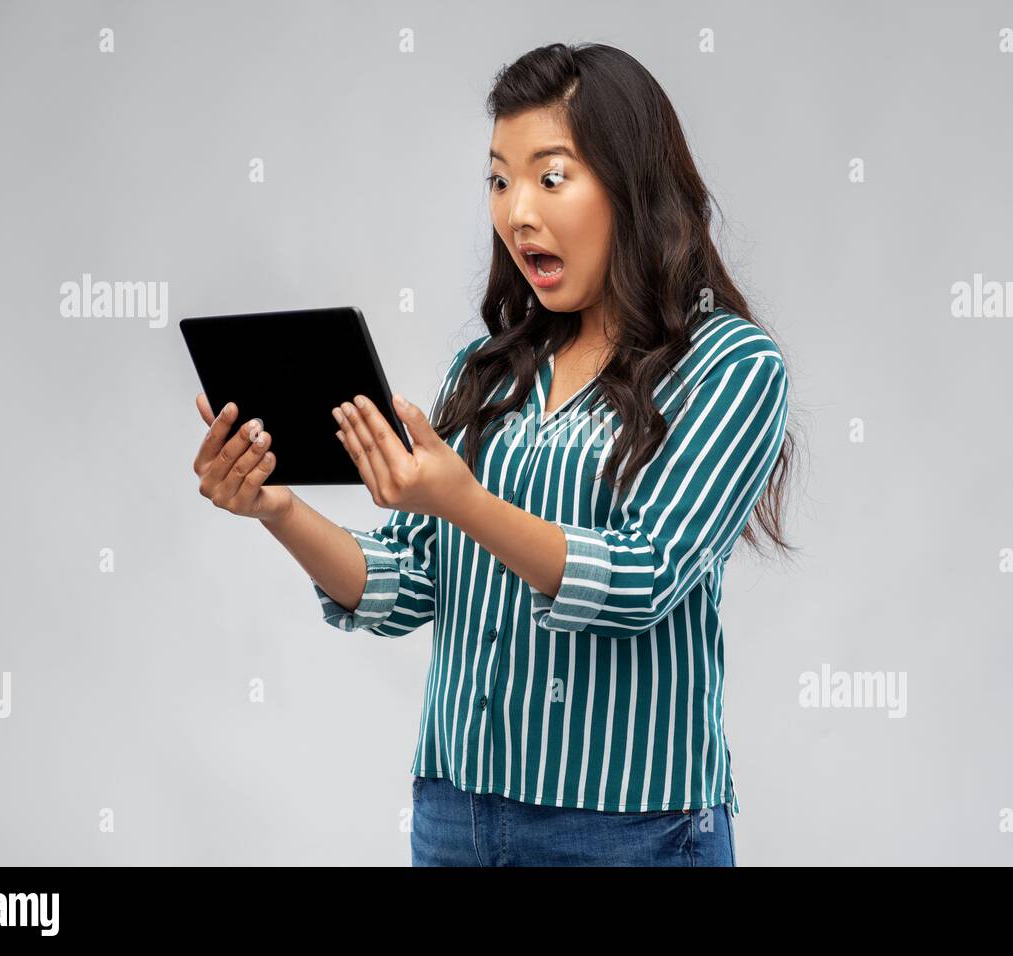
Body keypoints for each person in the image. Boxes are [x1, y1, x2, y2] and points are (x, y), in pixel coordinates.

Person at [191, 42, 797, 866]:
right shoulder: (488, 373)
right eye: (499, 179)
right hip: (455, 816)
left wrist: (463, 501)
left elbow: (644, 578)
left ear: (633, 186)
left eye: (551, 177)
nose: (517, 212)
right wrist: (278, 510)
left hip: (628, 828)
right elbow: (409, 585)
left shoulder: (731, 368)